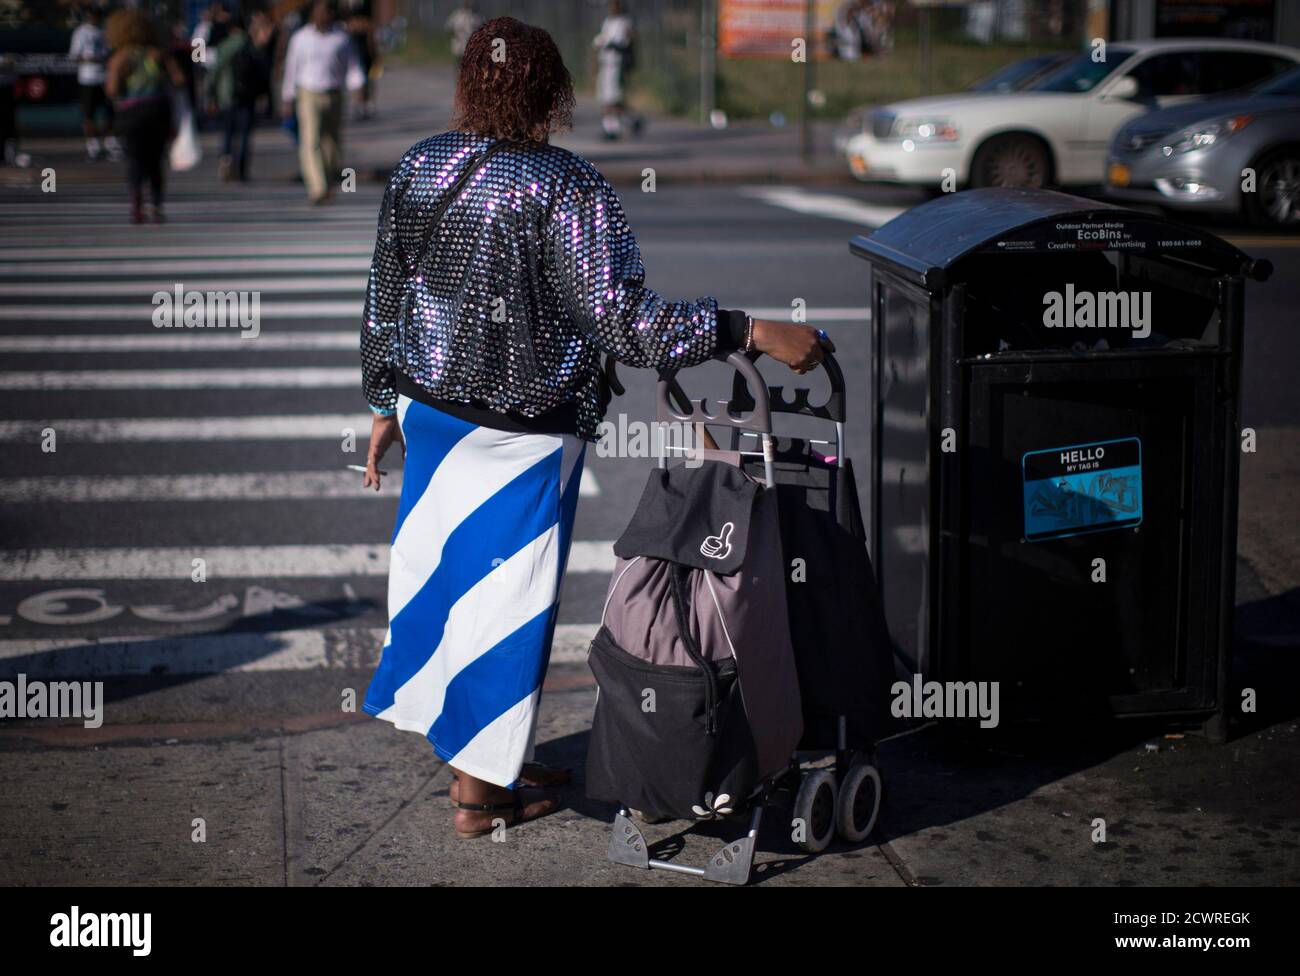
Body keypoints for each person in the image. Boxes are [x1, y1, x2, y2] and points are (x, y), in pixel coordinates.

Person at [358, 16, 832, 839]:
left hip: (429, 411)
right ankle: (479, 798)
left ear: (469, 82)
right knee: (508, 605)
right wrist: (750, 331)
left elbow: (386, 295)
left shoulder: (422, 165)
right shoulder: (566, 186)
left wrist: (378, 404)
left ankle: (482, 759)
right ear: (551, 92)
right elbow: (627, 325)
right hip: (523, 429)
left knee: (444, 588)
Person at [104, 8, 186, 224]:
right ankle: (157, 205)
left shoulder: (120, 58)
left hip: (130, 114)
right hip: (158, 111)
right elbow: (179, 80)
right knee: (156, 161)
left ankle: (137, 205)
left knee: (134, 160)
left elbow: (112, 90)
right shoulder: (158, 54)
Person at [280, 0, 365, 204]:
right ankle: (317, 188)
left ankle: (328, 181)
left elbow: (353, 65)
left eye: (329, 11)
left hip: (334, 93)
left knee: (331, 142)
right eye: (322, 11)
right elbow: (292, 68)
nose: (326, 15)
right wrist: (287, 97)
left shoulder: (341, 38)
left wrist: (358, 86)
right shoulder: (300, 38)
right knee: (311, 140)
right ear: (314, 14)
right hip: (308, 93)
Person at [205, 14, 263, 182]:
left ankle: (227, 164)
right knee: (245, 134)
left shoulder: (225, 46)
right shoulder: (252, 45)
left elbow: (214, 72)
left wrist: (210, 96)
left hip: (227, 95)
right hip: (249, 95)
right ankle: (243, 169)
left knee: (228, 132)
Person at [69, 7, 121, 161]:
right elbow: (74, 56)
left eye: (96, 16)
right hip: (87, 79)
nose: (94, 19)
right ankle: (93, 145)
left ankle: (111, 143)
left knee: (109, 112)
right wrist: (90, 59)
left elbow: (111, 52)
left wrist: (106, 59)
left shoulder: (105, 31)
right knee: (89, 114)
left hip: (104, 78)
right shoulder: (80, 33)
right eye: (91, 16)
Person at [592, 1, 641, 140]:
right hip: (605, 63)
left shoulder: (625, 22)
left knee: (614, 98)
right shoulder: (608, 21)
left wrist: (611, 44)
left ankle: (614, 128)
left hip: (616, 64)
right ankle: (619, 125)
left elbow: (625, 42)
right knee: (605, 97)